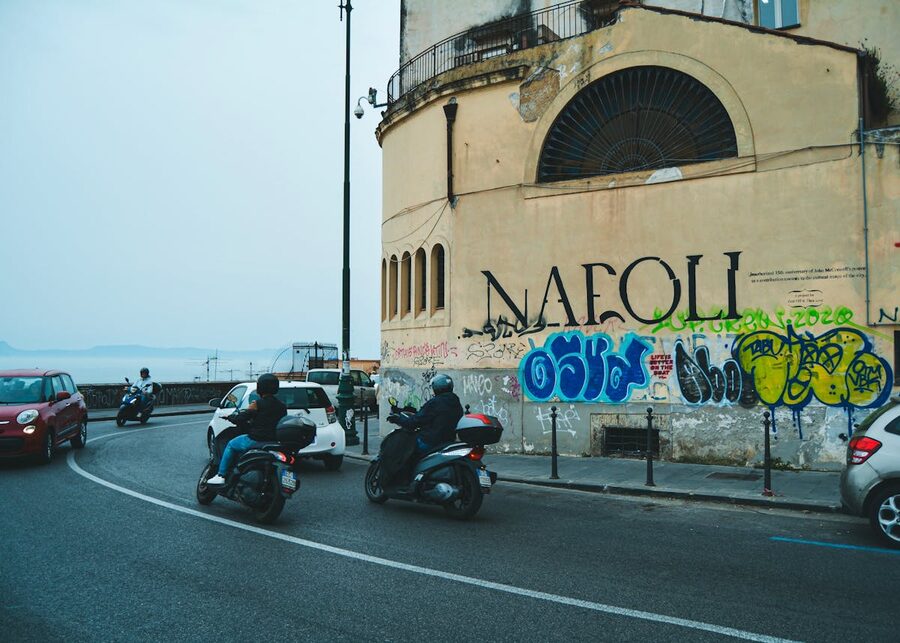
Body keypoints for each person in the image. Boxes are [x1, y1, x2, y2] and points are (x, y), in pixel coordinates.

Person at [207, 373, 287, 485]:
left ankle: (221, 475)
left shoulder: (257, 404)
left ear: (260, 387)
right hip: (273, 440)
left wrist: (231, 417)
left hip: (256, 440)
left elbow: (242, 418)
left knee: (231, 444)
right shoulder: (282, 406)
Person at [388, 374, 463, 455]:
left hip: (430, 441)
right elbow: (432, 416)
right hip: (448, 440)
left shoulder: (435, 402)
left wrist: (397, 419)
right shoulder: (455, 401)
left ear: (436, 387)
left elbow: (413, 423)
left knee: (400, 447)